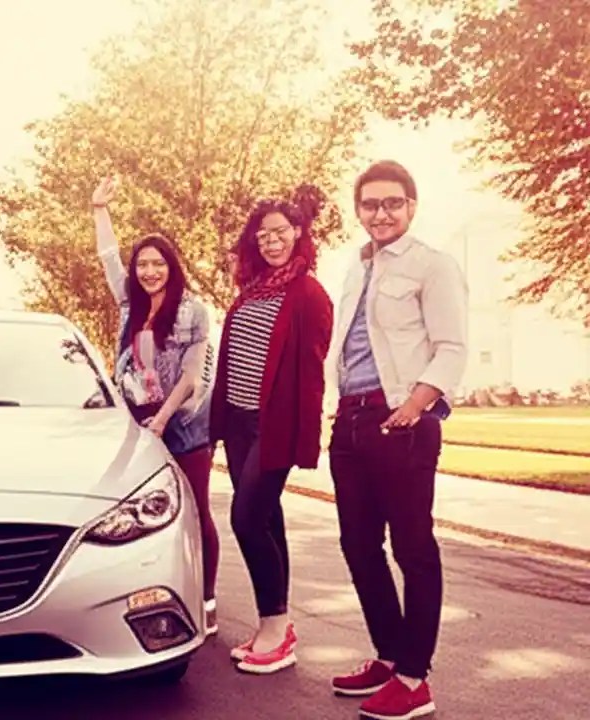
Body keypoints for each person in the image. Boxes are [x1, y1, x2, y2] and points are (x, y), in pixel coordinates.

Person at [326, 160, 467, 720]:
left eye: (391, 203)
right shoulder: (356, 270)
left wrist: (413, 407)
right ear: (358, 211)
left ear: (411, 206)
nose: (380, 213)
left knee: (412, 549)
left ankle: (415, 678)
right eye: (370, 204)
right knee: (358, 547)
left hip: (402, 421)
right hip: (351, 421)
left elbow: (452, 346)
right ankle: (388, 656)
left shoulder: (433, 265)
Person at [90, 175, 220, 635]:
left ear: (172, 267)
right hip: (136, 421)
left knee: (197, 512)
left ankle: (205, 601)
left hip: (182, 422)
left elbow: (191, 375)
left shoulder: (192, 311)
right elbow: (108, 257)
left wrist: (163, 421)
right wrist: (99, 210)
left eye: (157, 263)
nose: (149, 271)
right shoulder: (128, 303)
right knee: (135, 511)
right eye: (142, 264)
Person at [209, 193, 333, 675]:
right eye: (263, 236)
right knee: (266, 519)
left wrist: (305, 437)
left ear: (298, 233)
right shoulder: (252, 290)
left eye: (281, 231)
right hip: (239, 423)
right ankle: (275, 625)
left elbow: (311, 372)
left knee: (245, 518)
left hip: (273, 427)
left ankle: (276, 628)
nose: (273, 241)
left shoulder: (308, 294)